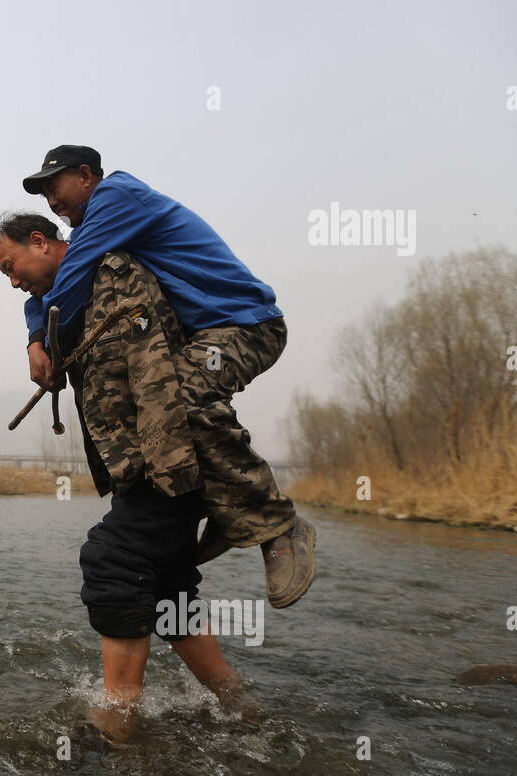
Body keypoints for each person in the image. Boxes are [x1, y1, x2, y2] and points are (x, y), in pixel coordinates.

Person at [0, 213, 259, 733]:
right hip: (143, 464)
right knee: (167, 588)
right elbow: (37, 306)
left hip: (167, 455)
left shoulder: (112, 270)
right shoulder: (63, 302)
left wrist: (168, 458)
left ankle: (118, 728)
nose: (13, 280)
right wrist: (37, 342)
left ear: (41, 242)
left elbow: (152, 360)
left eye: (11, 265)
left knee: (113, 565)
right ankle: (241, 705)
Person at [16, 145, 315, 604]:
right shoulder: (100, 226)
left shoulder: (117, 198)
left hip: (246, 324)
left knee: (181, 397)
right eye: (45, 196)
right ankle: (228, 513)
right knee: (167, 402)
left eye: (54, 187)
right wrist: (36, 337)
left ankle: (279, 527)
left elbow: (69, 274)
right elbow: (46, 289)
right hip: (209, 335)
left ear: (85, 175)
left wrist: (51, 349)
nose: (52, 202)